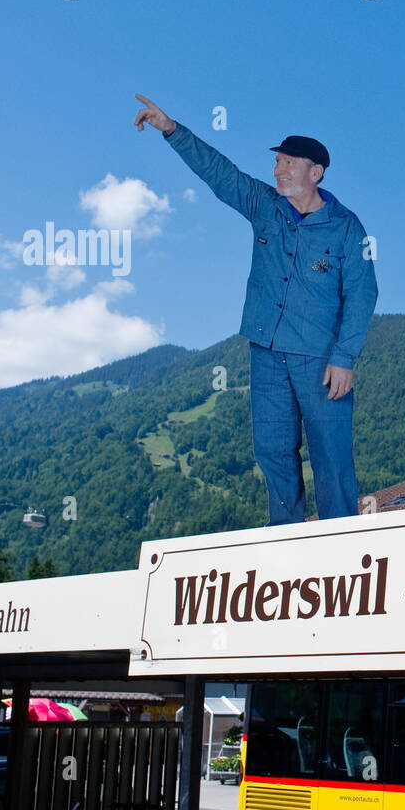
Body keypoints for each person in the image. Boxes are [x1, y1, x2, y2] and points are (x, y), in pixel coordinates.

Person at [133, 94, 377, 523]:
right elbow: (219, 172)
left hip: (321, 359)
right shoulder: (264, 205)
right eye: (276, 162)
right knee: (272, 450)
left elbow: (362, 295)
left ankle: (343, 543)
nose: (277, 170)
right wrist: (171, 129)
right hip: (265, 351)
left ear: (314, 172)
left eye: (287, 162)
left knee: (331, 454)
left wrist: (344, 358)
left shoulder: (347, 228)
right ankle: (285, 539)